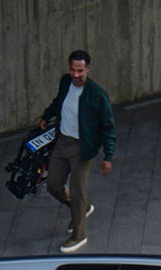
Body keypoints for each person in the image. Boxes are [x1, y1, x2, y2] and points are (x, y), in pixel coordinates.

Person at [39, 50, 115, 253]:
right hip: (62, 142)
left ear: (88, 69)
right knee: (53, 185)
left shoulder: (97, 95)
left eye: (80, 71)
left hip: (82, 148)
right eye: (73, 70)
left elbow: (108, 126)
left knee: (77, 191)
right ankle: (82, 208)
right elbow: (58, 102)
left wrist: (108, 156)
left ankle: (79, 235)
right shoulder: (65, 82)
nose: (76, 75)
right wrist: (46, 116)